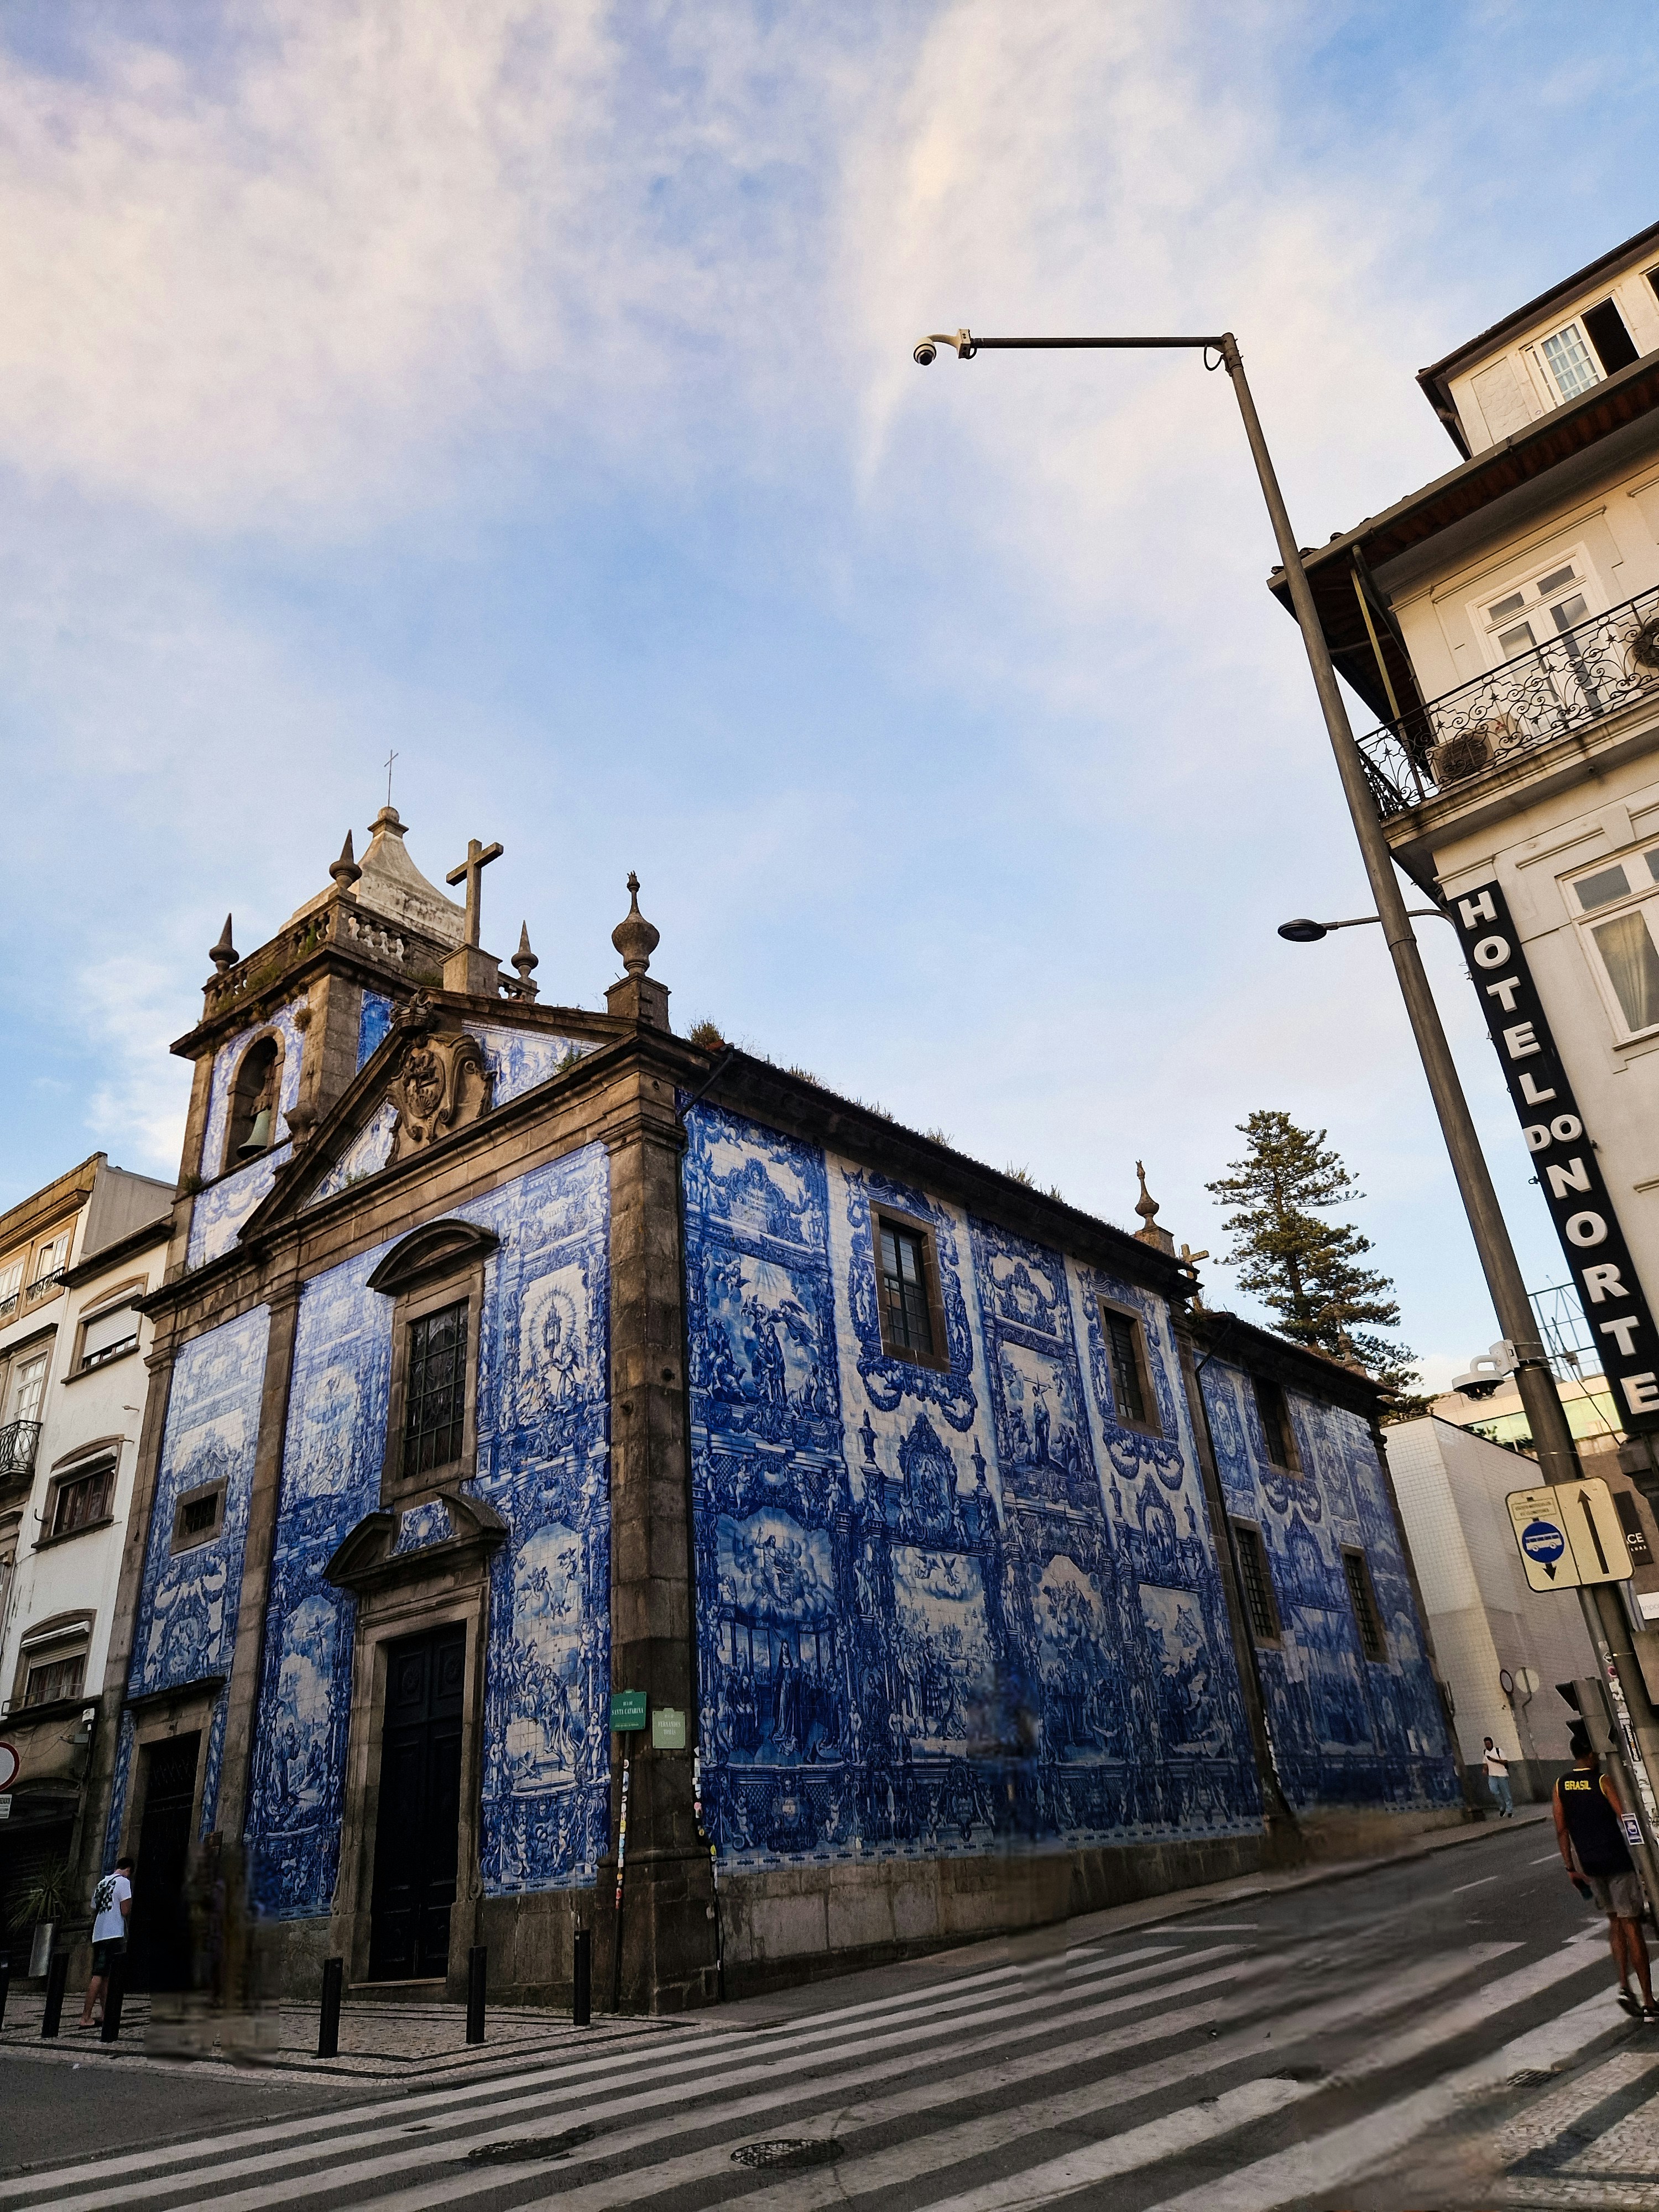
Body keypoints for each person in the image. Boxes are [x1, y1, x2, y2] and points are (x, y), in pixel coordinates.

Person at [1553, 1724, 1656, 2022]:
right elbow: (1625, 1818)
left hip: (1590, 1865)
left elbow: (1561, 1829)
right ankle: (1649, 2000)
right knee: (1631, 1925)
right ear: (1591, 1753)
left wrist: (1570, 1867)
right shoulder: (1602, 1781)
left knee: (1614, 1923)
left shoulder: (1560, 1785)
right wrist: (1644, 1856)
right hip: (1616, 1862)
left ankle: (1625, 1986)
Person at [80, 1855, 134, 2028]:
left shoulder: (101, 1883)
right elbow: (125, 1910)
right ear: (128, 1870)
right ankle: (85, 2016)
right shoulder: (124, 1883)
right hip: (113, 1933)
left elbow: (95, 1907)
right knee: (99, 1975)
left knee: (105, 1976)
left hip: (98, 1933)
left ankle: (106, 2013)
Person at [1483, 1736, 1514, 1818]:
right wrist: (1485, 1769)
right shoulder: (1486, 1752)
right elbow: (1486, 1763)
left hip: (1502, 1775)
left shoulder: (1498, 1751)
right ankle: (1502, 1806)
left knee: (1506, 1793)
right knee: (1494, 1790)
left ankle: (1510, 1810)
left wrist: (1495, 1760)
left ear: (1492, 1743)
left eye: (1489, 1744)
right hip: (1492, 1775)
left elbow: (1505, 1761)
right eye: (1486, 1744)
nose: (1488, 1745)